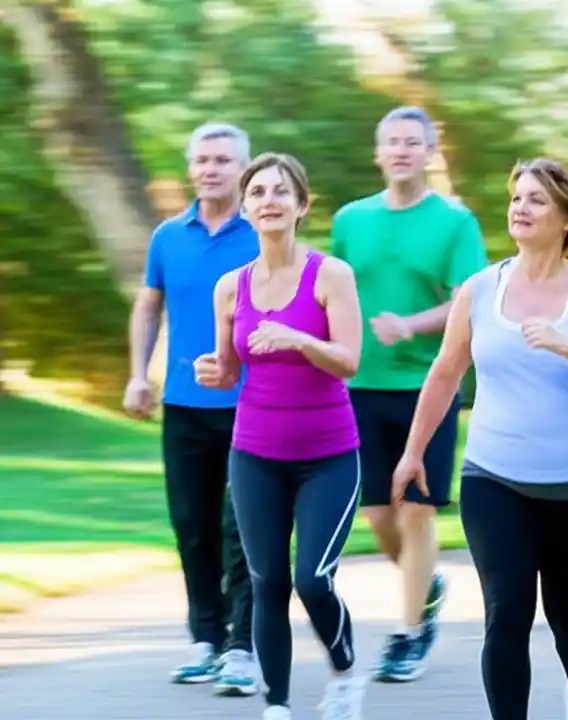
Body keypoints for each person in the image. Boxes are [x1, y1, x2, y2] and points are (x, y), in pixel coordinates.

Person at [391, 157, 568, 720]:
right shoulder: (478, 290)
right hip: (495, 479)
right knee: (506, 613)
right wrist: (413, 452)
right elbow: (446, 373)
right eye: (516, 198)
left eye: (536, 200)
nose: (520, 209)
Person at [195, 152, 367, 720]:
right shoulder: (230, 287)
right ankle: (279, 704)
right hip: (255, 454)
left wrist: (298, 339)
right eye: (259, 192)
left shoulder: (330, 275)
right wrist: (213, 371)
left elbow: (348, 361)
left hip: (329, 457)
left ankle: (344, 673)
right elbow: (229, 367)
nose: (269, 201)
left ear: (302, 205)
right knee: (268, 579)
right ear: (245, 209)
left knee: (312, 579)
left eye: (280, 192)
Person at [330, 106, 489, 682]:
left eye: (412, 142)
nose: (401, 151)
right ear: (379, 153)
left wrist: (411, 324)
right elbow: (333, 293)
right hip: (359, 388)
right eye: (391, 142)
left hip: (429, 387)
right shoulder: (351, 220)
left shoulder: (454, 223)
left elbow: (469, 300)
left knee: (417, 513)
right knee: (378, 517)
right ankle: (427, 586)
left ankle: (409, 634)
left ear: (429, 152)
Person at [125, 121, 259, 694]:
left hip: (252, 404)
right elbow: (148, 307)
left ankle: (243, 648)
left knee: (244, 526)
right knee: (192, 525)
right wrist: (137, 375)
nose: (211, 168)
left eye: (223, 160)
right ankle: (205, 638)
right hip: (183, 403)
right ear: (190, 168)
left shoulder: (262, 234)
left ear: (242, 169)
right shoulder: (167, 237)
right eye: (202, 159)